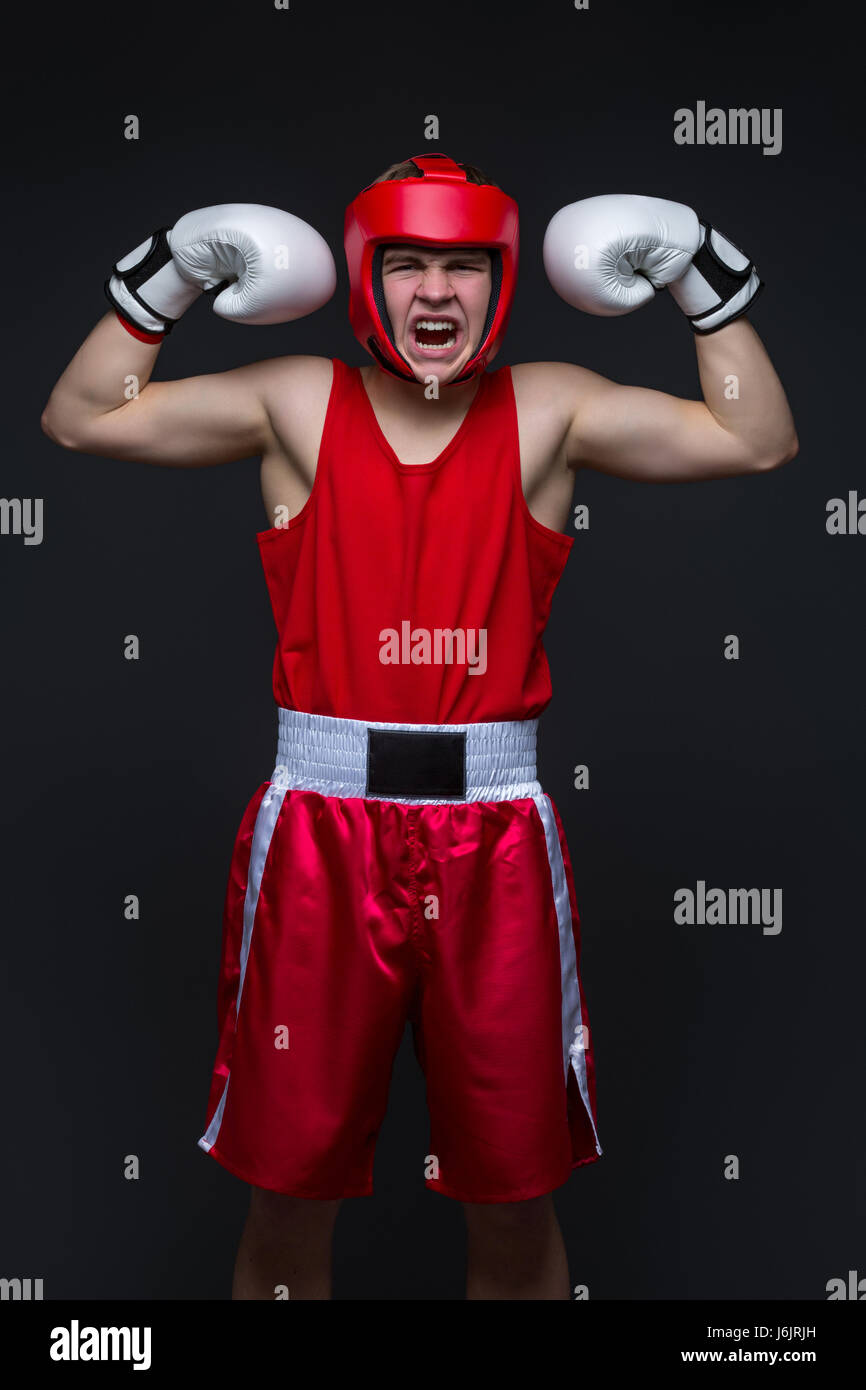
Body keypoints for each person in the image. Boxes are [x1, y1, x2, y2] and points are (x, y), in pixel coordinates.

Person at [41, 154, 798, 1300]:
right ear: (362, 278)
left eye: (461, 267)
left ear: (499, 284)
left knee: (511, 1200)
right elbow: (80, 414)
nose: (434, 294)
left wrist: (699, 267)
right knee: (284, 1198)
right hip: (319, 842)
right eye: (407, 266)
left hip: (492, 842)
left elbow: (755, 439)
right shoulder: (294, 400)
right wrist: (173, 269)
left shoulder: (550, 408)